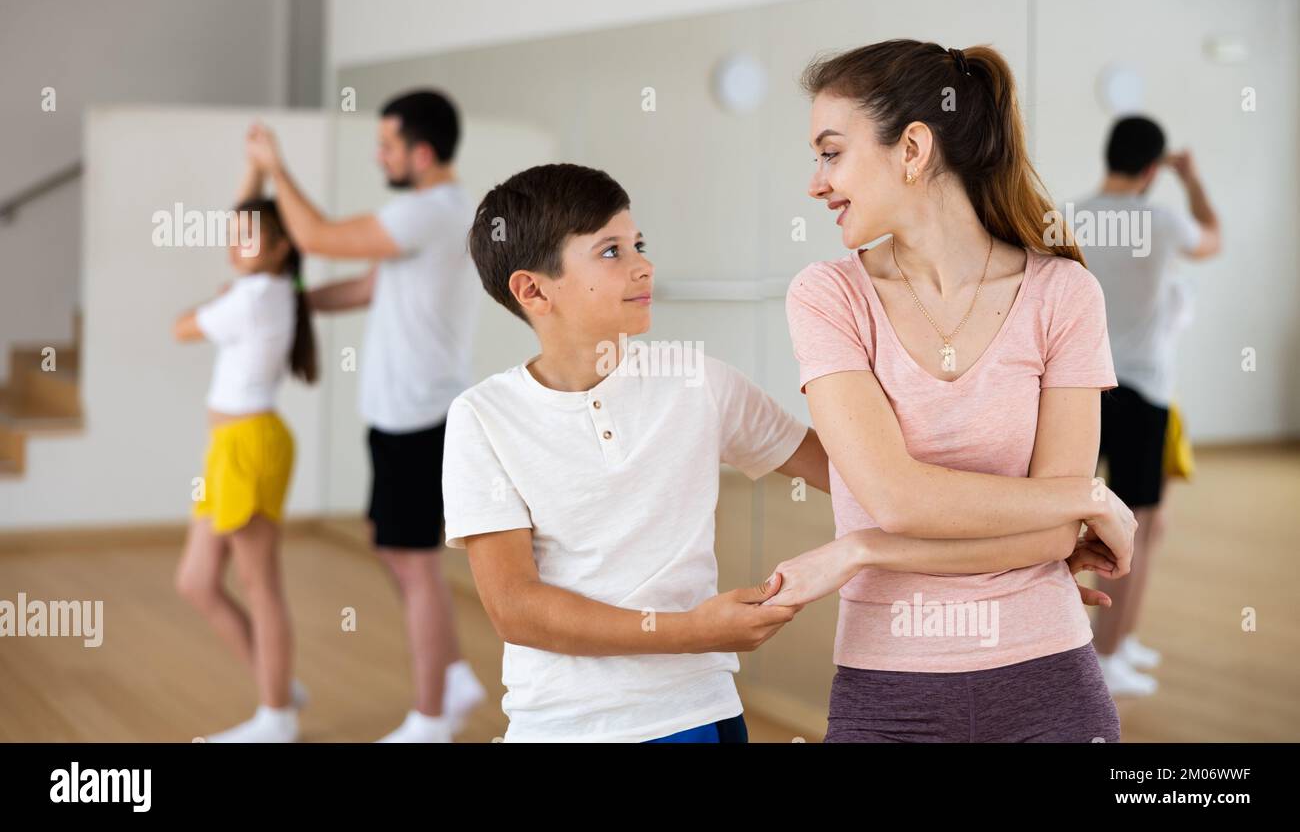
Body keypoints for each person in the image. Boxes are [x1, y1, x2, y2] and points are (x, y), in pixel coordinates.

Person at [765, 40, 1137, 742]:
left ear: (911, 148)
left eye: (831, 153)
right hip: (887, 693)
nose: (816, 183)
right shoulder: (827, 297)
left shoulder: (1063, 294)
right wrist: (1085, 494)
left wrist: (859, 550)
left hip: (1050, 680)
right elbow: (896, 497)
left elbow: (1056, 533)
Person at [441, 163, 828, 742]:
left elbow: (849, 470)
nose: (643, 264)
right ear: (532, 290)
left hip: (696, 716)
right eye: (610, 251)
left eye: (638, 244)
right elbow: (515, 608)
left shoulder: (700, 382)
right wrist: (694, 630)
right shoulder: (482, 417)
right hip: (558, 726)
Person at [244, 90, 486, 742]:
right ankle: (455, 675)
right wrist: (288, 298)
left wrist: (274, 168)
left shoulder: (428, 211)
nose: (379, 154)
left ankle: (431, 719)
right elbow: (368, 286)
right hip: (396, 414)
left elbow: (318, 235)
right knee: (392, 545)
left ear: (422, 152)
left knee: (415, 561)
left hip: (420, 417)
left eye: (387, 144)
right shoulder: (425, 217)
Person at [1069, 116, 1221, 696]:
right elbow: (1213, 238)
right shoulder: (1163, 218)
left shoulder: (1070, 215)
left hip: (1082, 389)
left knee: (1088, 524)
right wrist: (1194, 179)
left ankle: (1116, 644)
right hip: (1143, 390)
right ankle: (1106, 656)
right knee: (1138, 525)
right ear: (1154, 168)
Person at [172, 159, 317, 743]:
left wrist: (220, 294)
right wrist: (255, 174)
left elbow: (180, 327)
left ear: (281, 247)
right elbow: (249, 224)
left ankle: (276, 716)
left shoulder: (253, 295)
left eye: (248, 239)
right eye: (232, 238)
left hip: (249, 447)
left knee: (262, 587)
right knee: (196, 581)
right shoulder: (269, 285)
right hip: (230, 448)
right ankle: (276, 680)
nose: (234, 245)